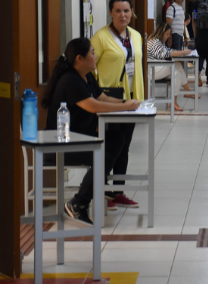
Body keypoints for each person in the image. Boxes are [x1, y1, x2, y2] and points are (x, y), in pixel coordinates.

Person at [41, 38, 140, 224]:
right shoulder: (70, 80)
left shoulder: (86, 75)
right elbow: (94, 106)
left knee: (116, 138)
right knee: (103, 154)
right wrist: (125, 107)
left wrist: (126, 103)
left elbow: (102, 97)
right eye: (92, 53)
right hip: (61, 144)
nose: (95, 57)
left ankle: (96, 186)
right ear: (80, 58)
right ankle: (78, 203)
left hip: (79, 138)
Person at [89, 0, 144, 209]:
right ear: (111, 12)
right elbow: (90, 68)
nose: (123, 15)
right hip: (108, 100)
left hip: (130, 100)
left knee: (125, 146)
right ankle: (100, 188)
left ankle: (117, 191)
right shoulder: (100, 37)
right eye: (118, 11)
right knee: (108, 146)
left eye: (126, 11)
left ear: (132, 13)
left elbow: (136, 66)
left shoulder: (136, 36)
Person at [147, 22, 199, 111]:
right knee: (177, 66)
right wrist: (182, 53)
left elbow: (168, 50)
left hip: (156, 68)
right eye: (167, 34)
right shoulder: (154, 42)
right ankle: (186, 92)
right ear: (161, 33)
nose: (168, 36)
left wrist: (178, 52)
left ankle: (174, 101)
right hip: (152, 70)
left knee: (177, 73)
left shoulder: (158, 41)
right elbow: (165, 53)